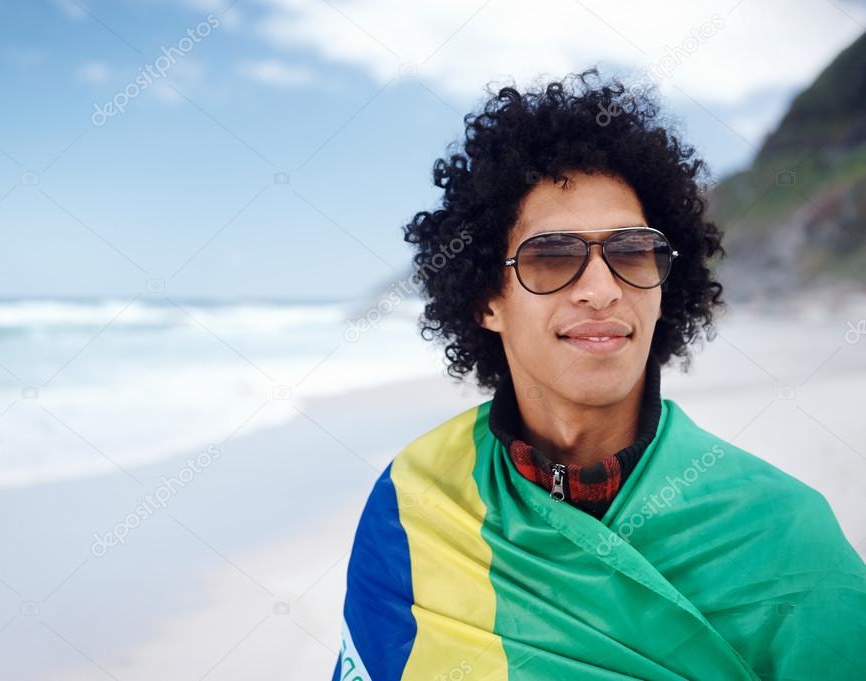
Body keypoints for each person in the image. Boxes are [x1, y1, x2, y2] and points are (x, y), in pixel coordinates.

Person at [331, 69, 866, 680]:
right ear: (486, 299)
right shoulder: (414, 502)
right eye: (552, 255)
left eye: (631, 251)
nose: (601, 289)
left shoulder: (787, 536)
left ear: (665, 288)